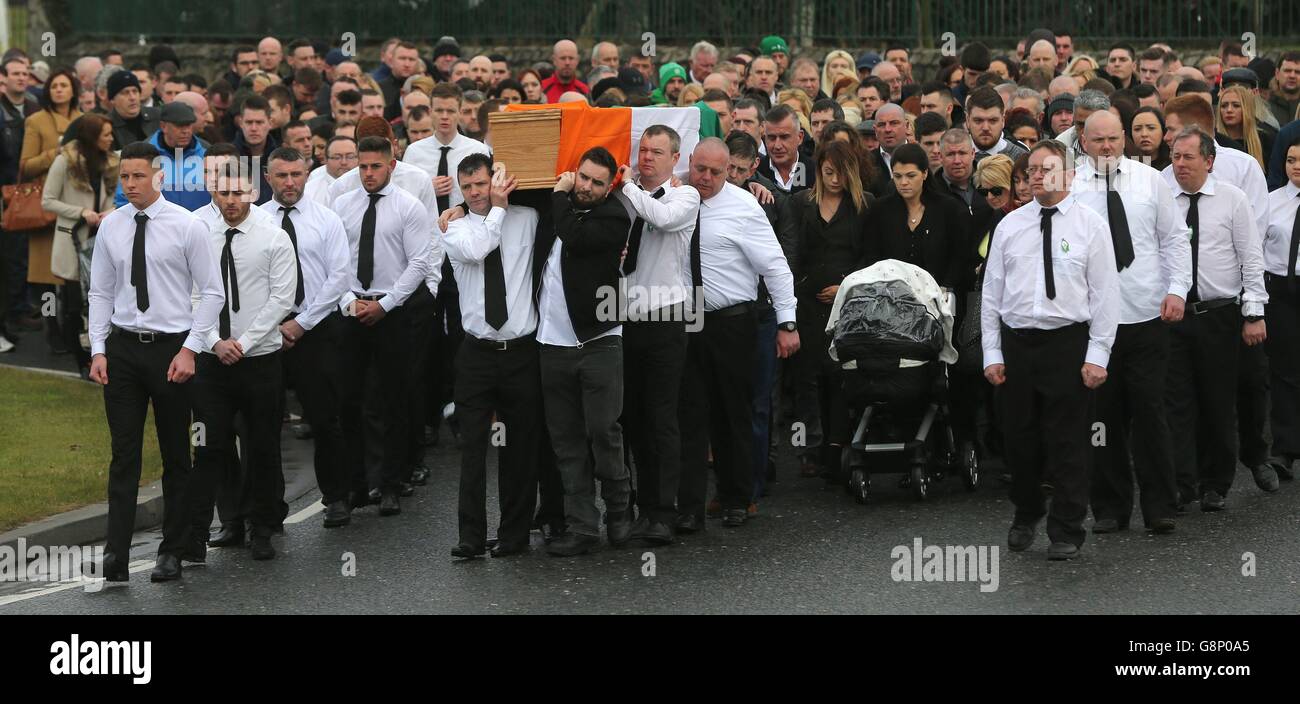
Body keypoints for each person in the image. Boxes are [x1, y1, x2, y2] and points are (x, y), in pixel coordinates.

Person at [87, 141, 224, 582]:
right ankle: (116, 556)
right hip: (124, 349)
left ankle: (173, 550)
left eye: (139, 176)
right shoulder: (112, 226)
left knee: (176, 453)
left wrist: (190, 349)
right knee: (123, 455)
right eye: (125, 177)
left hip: (171, 350)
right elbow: (100, 291)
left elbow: (212, 293)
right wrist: (98, 349)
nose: (131, 185)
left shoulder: (187, 226)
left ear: (159, 176)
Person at [981, 139, 1119, 560]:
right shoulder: (1010, 226)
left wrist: (1098, 355)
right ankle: (1027, 511)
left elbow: (1105, 294)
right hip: (1018, 344)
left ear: (1070, 176)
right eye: (1032, 171)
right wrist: (992, 353)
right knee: (1019, 440)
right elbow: (992, 294)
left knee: (1068, 441)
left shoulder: (1090, 225)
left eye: (1047, 169)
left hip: (1066, 343)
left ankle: (1067, 527)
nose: (1037, 177)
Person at [1072, 111, 1190, 534]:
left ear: (1124, 139)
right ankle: (1109, 507)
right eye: (1097, 140)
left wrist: (1177, 289)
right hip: (1093, 322)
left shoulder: (1150, 181)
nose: (1106, 146)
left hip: (1146, 313)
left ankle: (1160, 505)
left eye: (1113, 138)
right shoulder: (1070, 186)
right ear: (1083, 142)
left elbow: (1174, 238)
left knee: (1150, 412)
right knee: (1102, 420)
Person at [678, 138, 799, 531]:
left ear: (729, 169)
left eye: (716, 172)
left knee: (734, 412)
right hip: (686, 322)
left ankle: (738, 497)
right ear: (689, 162)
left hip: (732, 322)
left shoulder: (745, 206)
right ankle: (691, 506)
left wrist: (787, 322)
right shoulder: (675, 197)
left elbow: (775, 266)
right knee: (691, 415)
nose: (706, 178)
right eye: (700, 169)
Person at [186, 160, 297, 562]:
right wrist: (215, 342)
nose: (231, 201)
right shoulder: (200, 236)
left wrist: (244, 343)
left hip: (259, 361)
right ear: (213, 193)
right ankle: (209, 529)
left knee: (262, 446)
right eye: (224, 193)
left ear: (252, 193)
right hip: (212, 360)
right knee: (208, 446)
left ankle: (261, 527)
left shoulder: (273, 238)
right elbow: (191, 294)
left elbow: (281, 299)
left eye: (238, 193)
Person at [440, 156, 544, 558]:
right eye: (466, 187)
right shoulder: (455, 228)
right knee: (473, 448)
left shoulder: (528, 218)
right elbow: (479, 248)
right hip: (477, 353)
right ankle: (470, 537)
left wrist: (503, 206)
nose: (475, 193)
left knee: (520, 447)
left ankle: (514, 535)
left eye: (481, 184)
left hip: (522, 351)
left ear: (495, 180)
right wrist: (495, 210)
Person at [1165, 126, 1269, 511]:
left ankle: (1216, 482)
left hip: (1219, 314)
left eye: (1188, 157)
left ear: (1208, 161)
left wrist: (1254, 312)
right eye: (1175, 157)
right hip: (1174, 315)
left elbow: (1251, 257)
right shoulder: (1162, 198)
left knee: (1217, 401)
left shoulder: (1232, 199)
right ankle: (1182, 482)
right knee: (1176, 403)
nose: (1180, 164)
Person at [533, 147, 630, 557]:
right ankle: (582, 526)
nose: (586, 187)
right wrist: (459, 209)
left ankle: (620, 510)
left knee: (603, 431)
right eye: (583, 177)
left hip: (599, 339)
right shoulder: (553, 210)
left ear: (610, 187)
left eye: (596, 182)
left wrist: (560, 193)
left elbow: (575, 235)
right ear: (575, 172)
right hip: (551, 343)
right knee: (566, 440)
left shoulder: (615, 217)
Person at [331, 136, 433, 516]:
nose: (368, 174)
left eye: (375, 166)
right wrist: (348, 301)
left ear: (391, 165)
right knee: (348, 400)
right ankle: (356, 484)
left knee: (394, 399)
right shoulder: (342, 206)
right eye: (362, 166)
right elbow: (333, 261)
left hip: (393, 310)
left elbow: (418, 263)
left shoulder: (408, 207)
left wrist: (385, 305)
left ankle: (391, 482)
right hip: (351, 307)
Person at [612, 125, 698, 543]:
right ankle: (635, 507)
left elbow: (661, 218)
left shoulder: (685, 196)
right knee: (630, 418)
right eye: (643, 150)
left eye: (657, 152)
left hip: (666, 318)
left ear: (675, 159)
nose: (647, 157)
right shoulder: (622, 197)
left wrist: (628, 186)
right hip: (623, 317)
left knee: (661, 416)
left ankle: (663, 511)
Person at [260, 146, 353, 529]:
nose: (289, 182)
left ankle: (336, 497)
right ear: (268, 178)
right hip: (266, 332)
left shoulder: (326, 219)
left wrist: (302, 323)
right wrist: (271, 326)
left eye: (296, 174)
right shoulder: (255, 221)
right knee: (264, 423)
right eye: (281, 175)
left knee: (325, 418)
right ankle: (267, 508)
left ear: (306, 175)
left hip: (316, 329)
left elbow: (339, 277)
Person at [784, 140, 874, 480]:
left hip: (849, 305)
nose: (835, 180)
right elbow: (791, 251)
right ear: (819, 170)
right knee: (806, 380)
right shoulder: (800, 203)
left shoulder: (864, 205)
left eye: (841, 173)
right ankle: (808, 449)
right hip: (807, 303)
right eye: (828, 172)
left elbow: (871, 256)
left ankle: (839, 446)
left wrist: (846, 286)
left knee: (841, 376)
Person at [41, 112, 117, 378]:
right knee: (75, 306)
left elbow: (117, 198)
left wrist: (110, 212)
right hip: (73, 241)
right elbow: (47, 200)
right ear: (92, 137)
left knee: (103, 302)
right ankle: (81, 361)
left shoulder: (112, 161)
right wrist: (81, 212)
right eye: (106, 134)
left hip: (102, 240)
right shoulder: (65, 161)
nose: (111, 138)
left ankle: (102, 357)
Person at [1263, 134, 1300, 483]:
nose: (1296, 167)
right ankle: (1285, 449)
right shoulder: (1270, 202)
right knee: (1285, 370)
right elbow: (1256, 249)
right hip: (1280, 292)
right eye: (1291, 160)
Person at [112, 101, 209, 210]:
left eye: (189, 125)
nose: (186, 131)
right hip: (153, 220)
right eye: (180, 126)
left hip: (199, 220)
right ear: (163, 126)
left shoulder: (207, 155)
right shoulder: (142, 155)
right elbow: (124, 198)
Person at [758, 104, 814, 193]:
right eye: (772, 138)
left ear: (800, 137)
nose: (777, 146)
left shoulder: (816, 173)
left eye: (784, 137)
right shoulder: (755, 173)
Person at [966, 86, 1028, 163]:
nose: (985, 128)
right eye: (978, 120)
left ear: (1003, 120)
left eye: (993, 121)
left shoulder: (1021, 158)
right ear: (968, 121)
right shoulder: (954, 154)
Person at [1216, 84, 1271, 169]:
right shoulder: (1213, 140)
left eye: (1236, 105)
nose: (1229, 110)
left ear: (1247, 109)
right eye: (1224, 106)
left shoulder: (1264, 140)